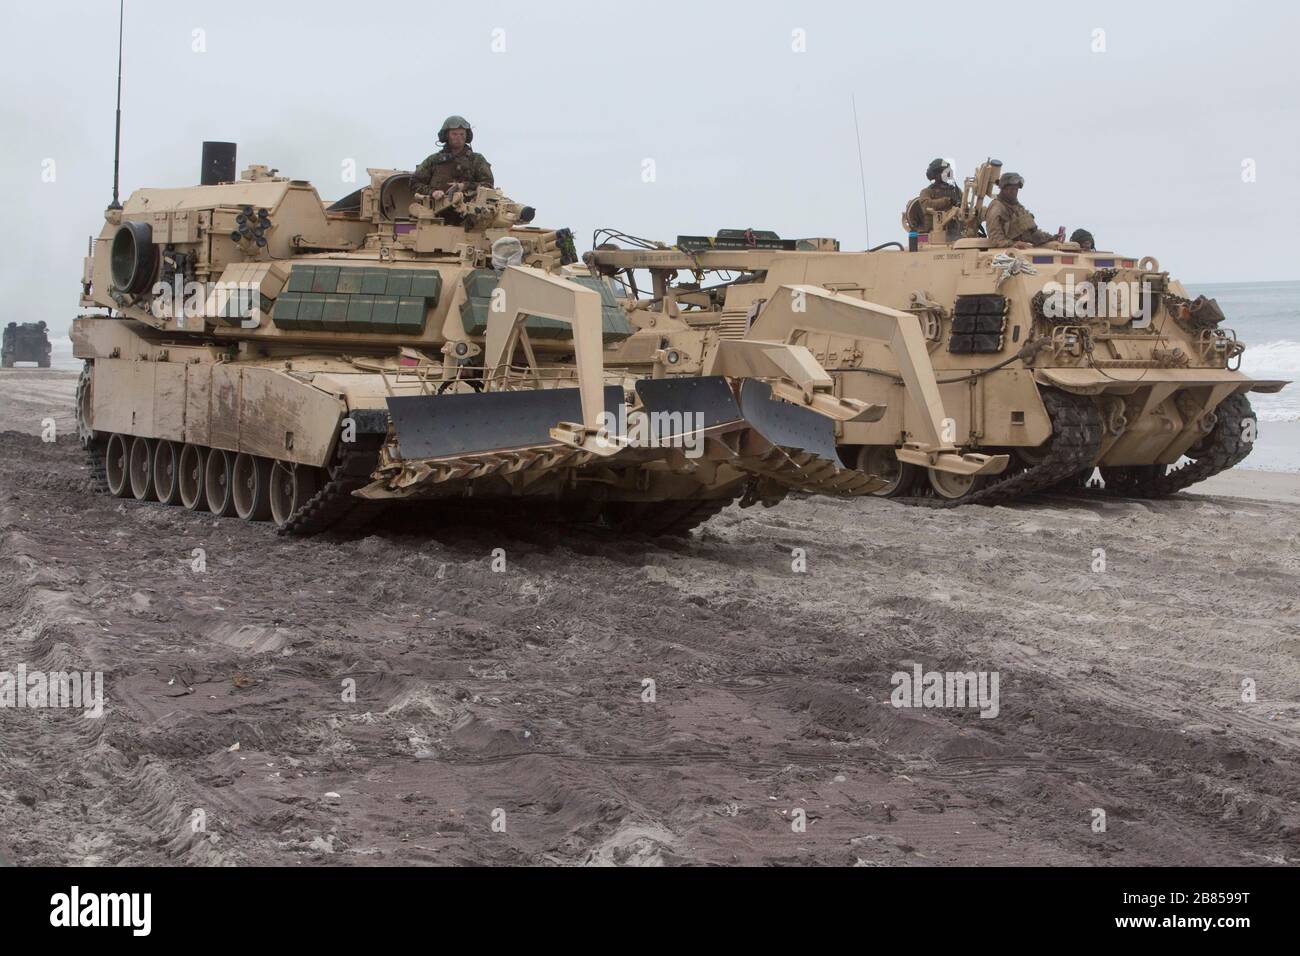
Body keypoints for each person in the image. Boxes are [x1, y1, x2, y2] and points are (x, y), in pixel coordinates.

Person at [411, 115, 494, 201]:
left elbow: (488, 185)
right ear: (446, 136)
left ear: (467, 136)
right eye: (454, 134)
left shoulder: (476, 160)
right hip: (435, 211)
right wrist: (433, 192)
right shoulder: (434, 160)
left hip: (468, 211)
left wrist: (465, 186)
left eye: (462, 134)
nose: (458, 137)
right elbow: (414, 183)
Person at [984, 172, 1060, 249]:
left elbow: (1031, 232)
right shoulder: (997, 207)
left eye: (1016, 189)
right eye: (1012, 189)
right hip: (1004, 253)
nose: (1014, 192)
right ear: (1003, 189)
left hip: (1020, 249)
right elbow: (996, 238)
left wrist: (1049, 238)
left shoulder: (1016, 206)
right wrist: (1013, 244)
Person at [916, 158, 963, 240]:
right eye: (943, 171)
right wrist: (947, 201)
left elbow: (965, 208)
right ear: (935, 174)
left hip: (956, 235)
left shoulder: (956, 191)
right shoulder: (927, 192)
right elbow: (926, 206)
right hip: (934, 236)